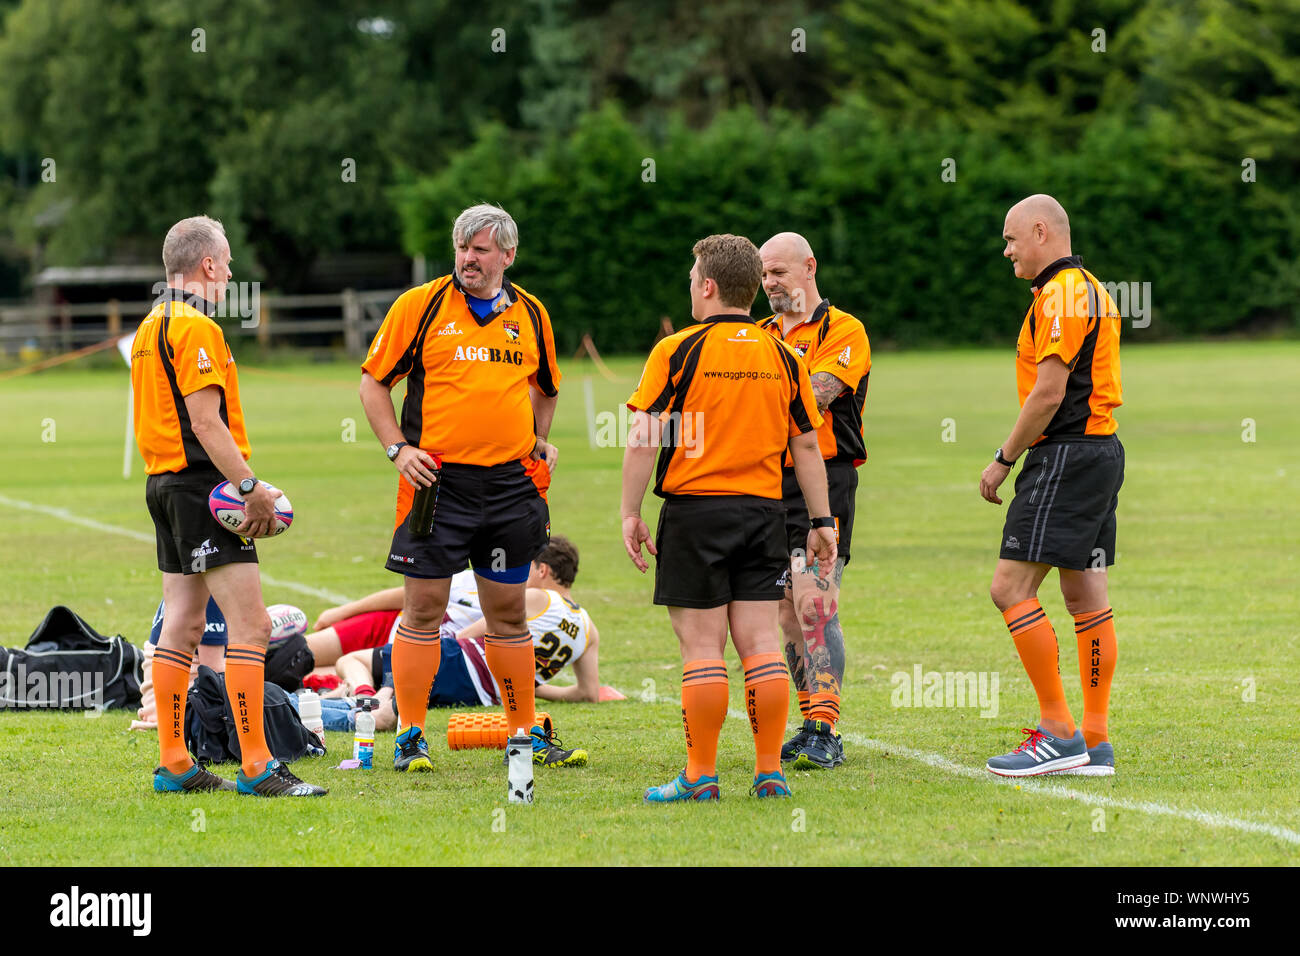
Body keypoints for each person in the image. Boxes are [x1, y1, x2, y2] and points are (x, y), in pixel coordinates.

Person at [622, 233, 837, 802]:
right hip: (766, 514)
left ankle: (700, 775)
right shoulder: (783, 355)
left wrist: (629, 511)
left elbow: (644, 435)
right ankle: (770, 773)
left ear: (709, 286)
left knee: (701, 647)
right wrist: (822, 521)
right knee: (762, 643)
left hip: (696, 515)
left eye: (693, 281)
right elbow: (808, 447)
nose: (691, 290)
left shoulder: (677, 350)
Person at [359, 203, 565, 772]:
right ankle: (410, 733)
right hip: (436, 485)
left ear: (507, 255)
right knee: (423, 610)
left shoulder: (532, 314)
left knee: (508, 615)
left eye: (479, 249)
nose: (468, 259)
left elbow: (546, 386)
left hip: (509, 488)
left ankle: (524, 731)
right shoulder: (420, 306)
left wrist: (541, 438)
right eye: (462, 248)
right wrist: (399, 449)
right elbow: (373, 383)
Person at [129, 214, 325, 796]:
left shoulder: (147, 326)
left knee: (184, 625)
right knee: (252, 624)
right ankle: (258, 767)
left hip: (162, 487)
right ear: (208, 265)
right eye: (229, 260)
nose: (233, 270)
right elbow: (206, 421)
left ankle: (174, 763)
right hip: (202, 490)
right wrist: (250, 488)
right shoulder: (196, 328)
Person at [981, 194, 1124, 777]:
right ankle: (1094, 739)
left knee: (1010, 588)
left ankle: (1059, 733)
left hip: (1065, 455)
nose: (1007, 249)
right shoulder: (1089, 287)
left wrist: (1003, 458)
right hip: (1099, 453)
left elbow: (1048, 392)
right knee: (1087, 596)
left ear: (1042, 232)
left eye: (1013, 238)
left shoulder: (1064, 292)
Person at [324, 539, 600, 767]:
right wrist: (529, 687)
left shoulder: (537, 597)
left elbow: (468, 635)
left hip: (460, 660)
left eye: (527, 567)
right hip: (482, 694)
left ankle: (309, 707)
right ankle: (329, 703)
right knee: (382, 701)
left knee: (358, 670)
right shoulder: (589, 629)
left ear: (542, 571)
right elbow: (587, 693)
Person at [757, 232, 870, 770]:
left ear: (810, 268)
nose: (770, 283)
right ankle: (807, 722)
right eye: (763, 275)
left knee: (814, 602)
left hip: (823, 479)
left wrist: (746, 392)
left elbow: (814, 396)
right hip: (763, 483)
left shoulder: (843, 329)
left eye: (779, 272)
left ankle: (826, 728)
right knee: (783, 612)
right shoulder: (757, 334)